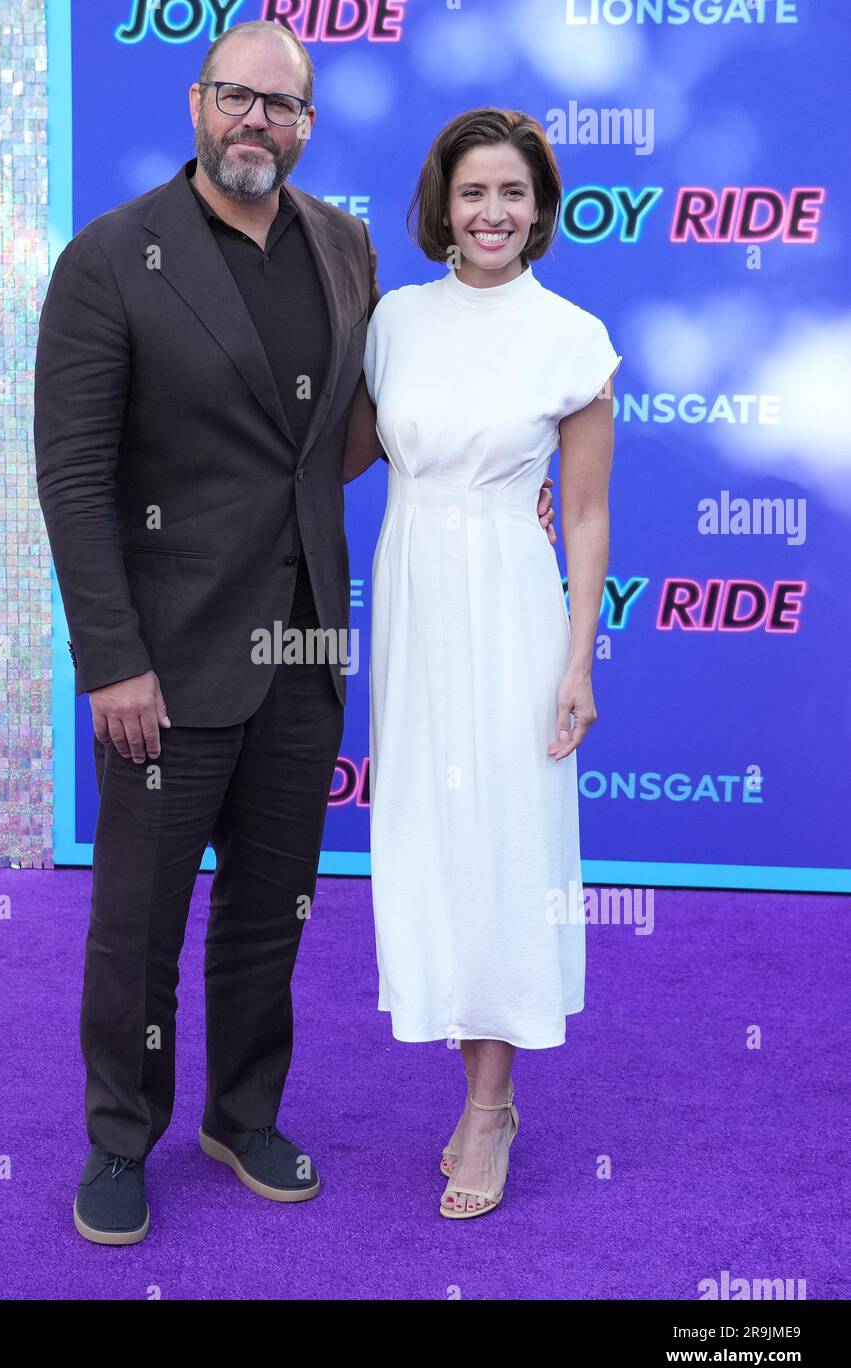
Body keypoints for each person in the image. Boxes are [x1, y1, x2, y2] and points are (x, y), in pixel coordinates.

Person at [36, 21, 557, 1245]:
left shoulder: (343, 245)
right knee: (139, 919)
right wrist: (110, 656)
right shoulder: (111, 259)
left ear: (308, 122)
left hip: (306, 648)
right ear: (197, 103)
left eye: (281, 104)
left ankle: (241, 1111)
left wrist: (511, 460)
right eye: (235, 97)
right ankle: (121, 1137)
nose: (255, 120)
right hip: (161, 658)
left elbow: (376, 419)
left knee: (272, 910)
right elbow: (71, 476)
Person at [343, 108, 620, 1219]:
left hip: (511, 602)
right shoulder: (395, 320)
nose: (491, 213)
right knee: (430, 842)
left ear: (538, 208)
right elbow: (343, 451)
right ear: (440, 208)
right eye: (471, 194)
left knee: (504, 845)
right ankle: (472, 1085)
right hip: (412, 597)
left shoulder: (571, 336)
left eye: (511, 193)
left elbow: (588, 516)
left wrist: (576, 662)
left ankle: (488, 1107)